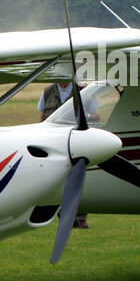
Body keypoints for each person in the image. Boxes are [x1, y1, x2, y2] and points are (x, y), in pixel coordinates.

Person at [38, 76, 90, 229]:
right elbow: (41, 117)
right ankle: (59, 215)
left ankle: (80, 217)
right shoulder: (48, 91)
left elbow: (95, 115)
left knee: (78, 177)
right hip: (53, 144)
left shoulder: (82, 90)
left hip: (75, 143)